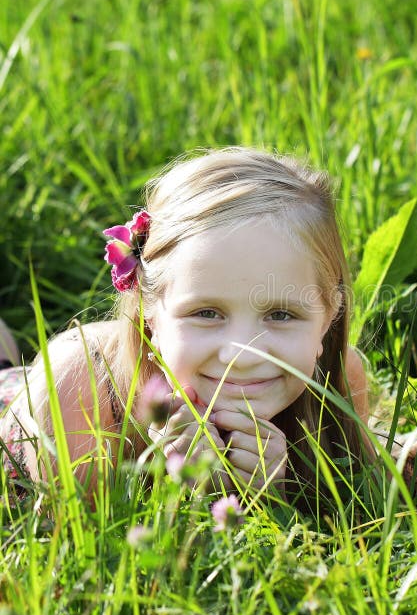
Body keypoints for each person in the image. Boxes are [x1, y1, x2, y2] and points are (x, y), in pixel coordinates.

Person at [0, 148, 370, 507]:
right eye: (207, 313)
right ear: (150, 312)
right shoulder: (79, 393)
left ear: (327, 317)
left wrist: (272, 499)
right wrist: (185, 497)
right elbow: (77, 553)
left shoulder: (338, 383)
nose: (241, 355)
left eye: (281, 315)